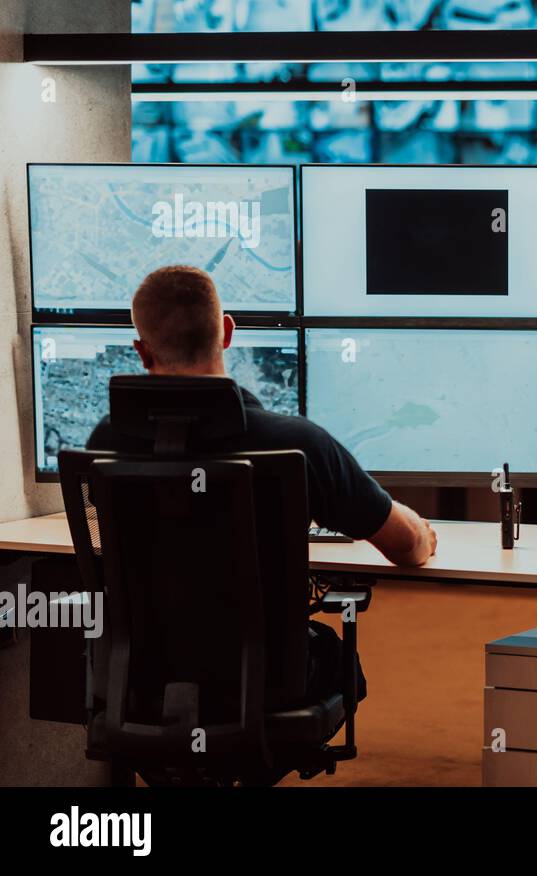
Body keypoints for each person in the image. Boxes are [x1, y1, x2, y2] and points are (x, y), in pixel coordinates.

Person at [87, 265, 437, 707]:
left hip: (139, 684)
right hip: (267, 689)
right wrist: (423, 533)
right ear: (228, 332)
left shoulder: (105, 445)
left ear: (141, 351)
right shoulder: (295, 444)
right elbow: (406, 546)